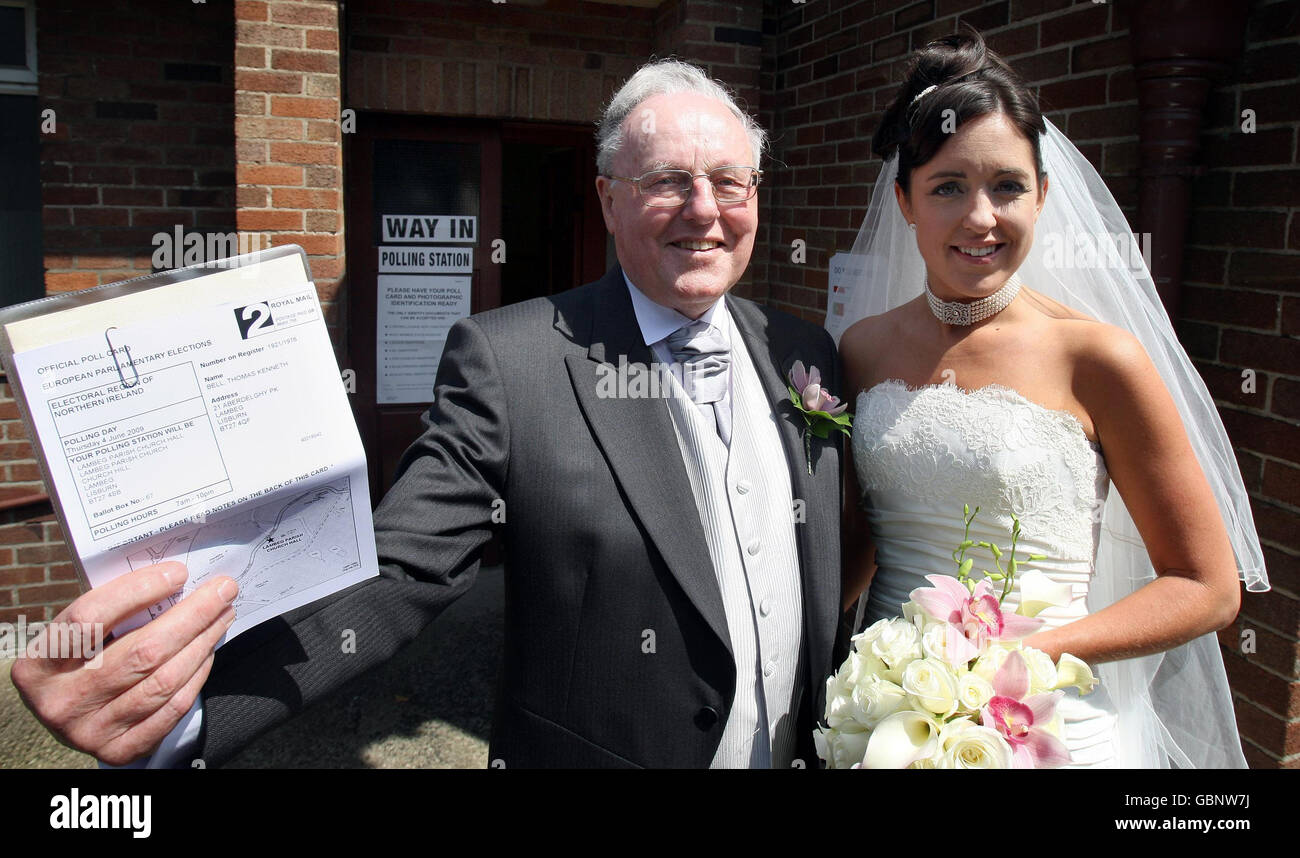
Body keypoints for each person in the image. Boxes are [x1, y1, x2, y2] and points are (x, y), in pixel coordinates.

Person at [12, 59, 845, 769]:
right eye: (667, 180)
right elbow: (402, 569)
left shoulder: (805, 350)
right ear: (607, 200)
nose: (706, 209)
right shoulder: (512, 361)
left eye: (730, 181)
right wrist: (185, 708)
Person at [837, 31, 1269, 767]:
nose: (981, 218)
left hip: (1046, 723)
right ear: (905, 200)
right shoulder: (861, 349)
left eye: (1007, 186)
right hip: (884, 717)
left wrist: (1023, 657)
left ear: (1043, 194)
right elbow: (858, 544)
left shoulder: (1098, 358)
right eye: (947, 187)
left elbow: (1207, 586)